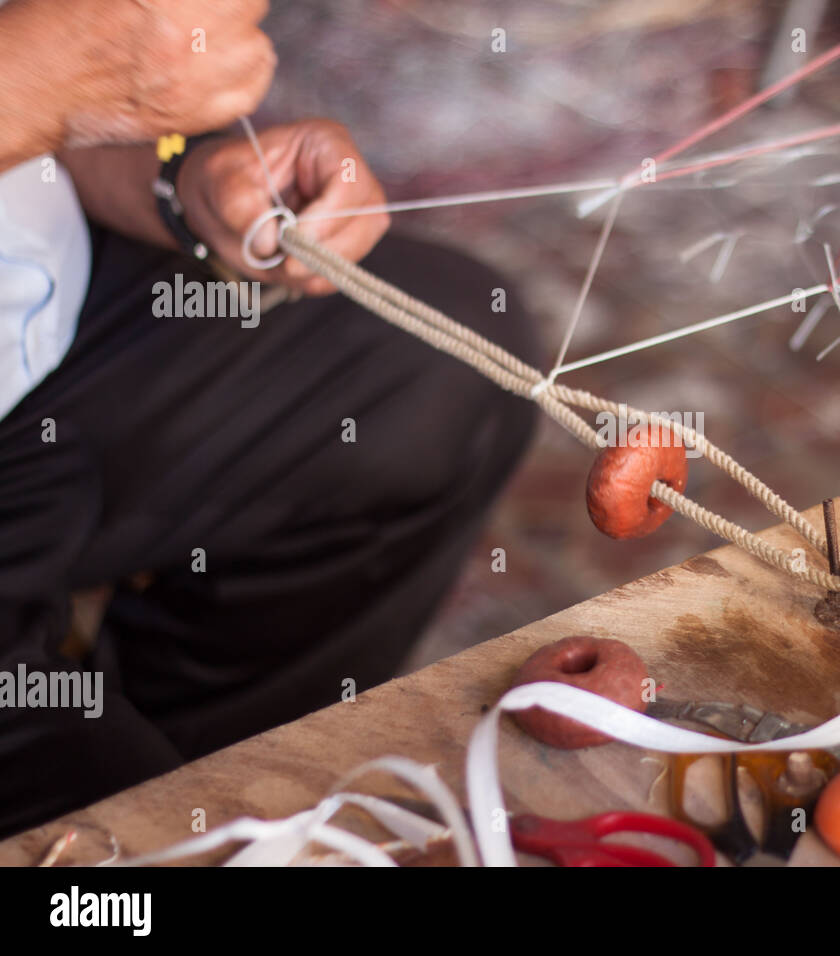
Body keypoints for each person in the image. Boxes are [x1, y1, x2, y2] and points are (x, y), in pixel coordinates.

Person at [0, 0, 537, 837]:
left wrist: (186, 185)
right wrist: (31, 78)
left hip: (42, 344)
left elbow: (40, 144)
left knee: (436, 368)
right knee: (128, 859)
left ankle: (212, 777)